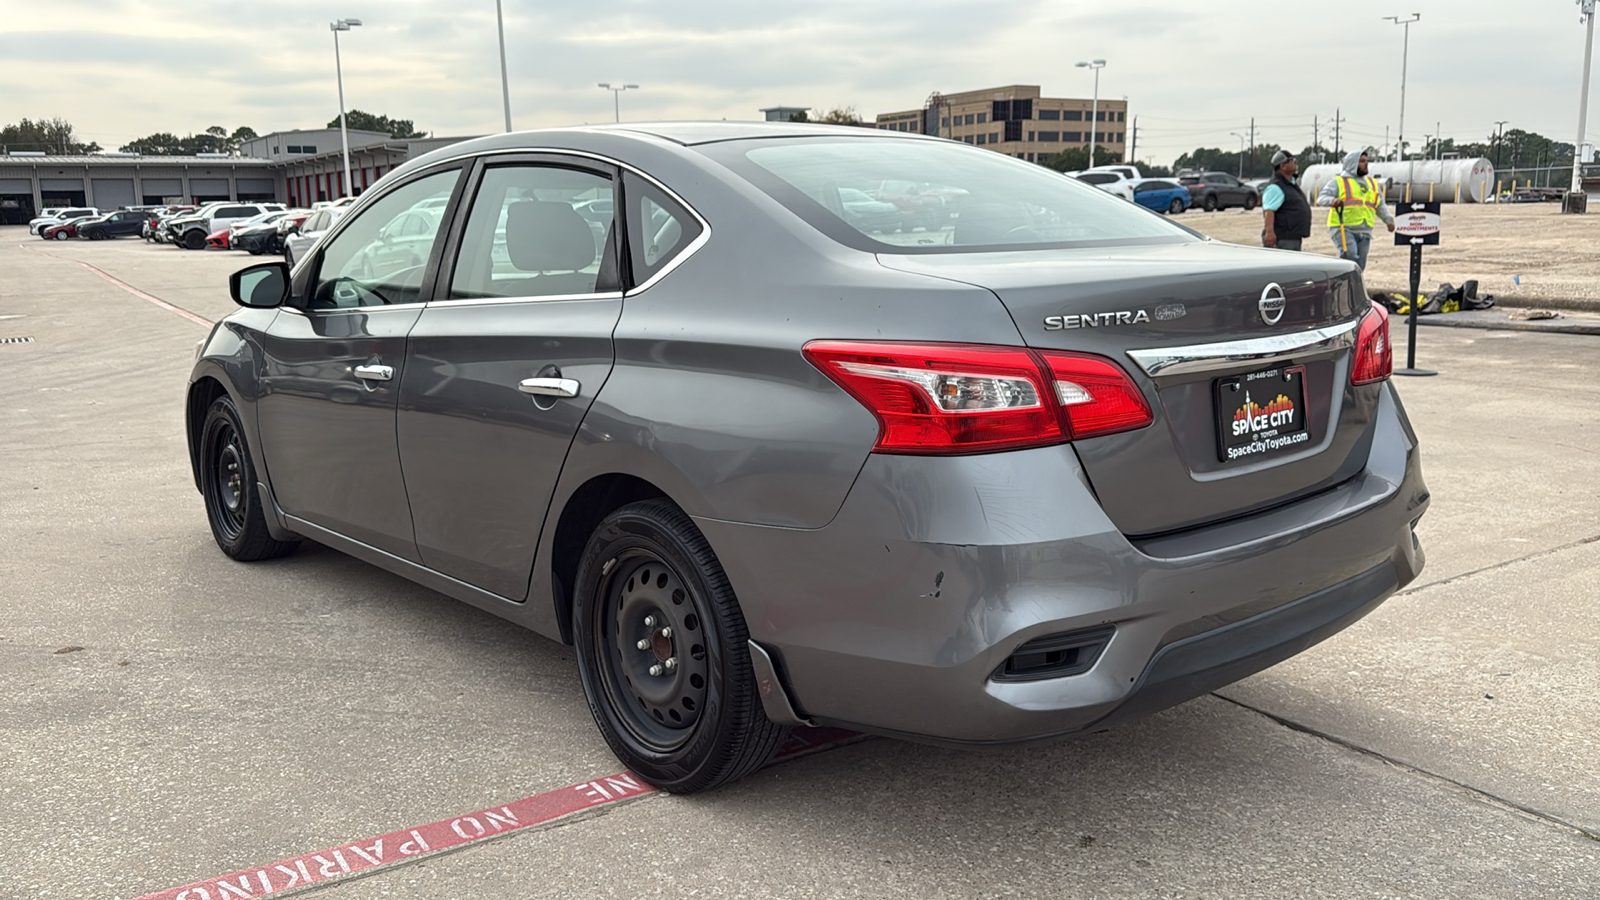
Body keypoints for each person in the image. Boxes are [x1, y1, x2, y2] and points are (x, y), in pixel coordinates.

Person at [1316, 149, 1394, 270]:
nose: (1366, 164)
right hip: (1343, 227)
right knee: (1350, 256)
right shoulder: (1339, 181)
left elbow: (1380, 205)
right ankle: (1342, 285)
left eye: (1366, 161)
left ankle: (1353, 287)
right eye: (1362, 161)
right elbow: (1321, 198)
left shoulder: (1372, 183)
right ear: (1352, 163)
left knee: (1360, 265)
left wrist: (1388, 220)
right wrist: (1332, 201)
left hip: (1365, 230)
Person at [1260, 149, 1310, 251]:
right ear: (1283, 166)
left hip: (1292, 237)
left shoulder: (1290, 184)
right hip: (1282, 238)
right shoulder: (1275, 187)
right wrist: (1270, 233)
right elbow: (1269, 211)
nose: (1295, 162)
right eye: (1292, 160)